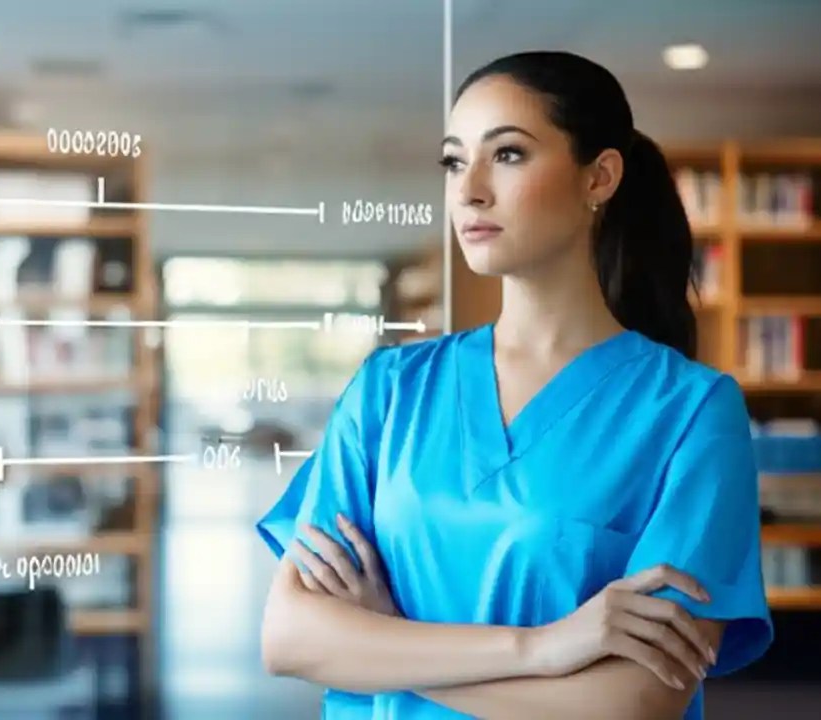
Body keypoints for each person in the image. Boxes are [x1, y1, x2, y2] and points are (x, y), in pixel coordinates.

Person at [255, 50, 774, 720]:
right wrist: (543, 648)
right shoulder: (390, 390)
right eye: (453, 160)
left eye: (507, 155)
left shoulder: (691, 412)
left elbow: (632, 703)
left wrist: (389, 646)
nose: (469, 189)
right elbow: (290, 637)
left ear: (600, 177)